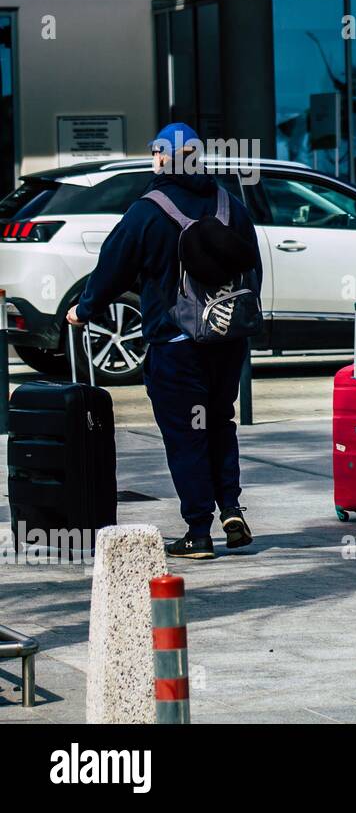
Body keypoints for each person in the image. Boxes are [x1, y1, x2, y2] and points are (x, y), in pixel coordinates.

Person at [66, 123, 259, 560]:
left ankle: (198, 531)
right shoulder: (230, 204)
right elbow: (253, 269)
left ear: (161, 157)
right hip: (228, 341)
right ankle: (230, 508)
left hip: (176, 345)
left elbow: (112, 268)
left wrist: (85, 309)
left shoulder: (148, 210)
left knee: (187, 433)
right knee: (218, 422)